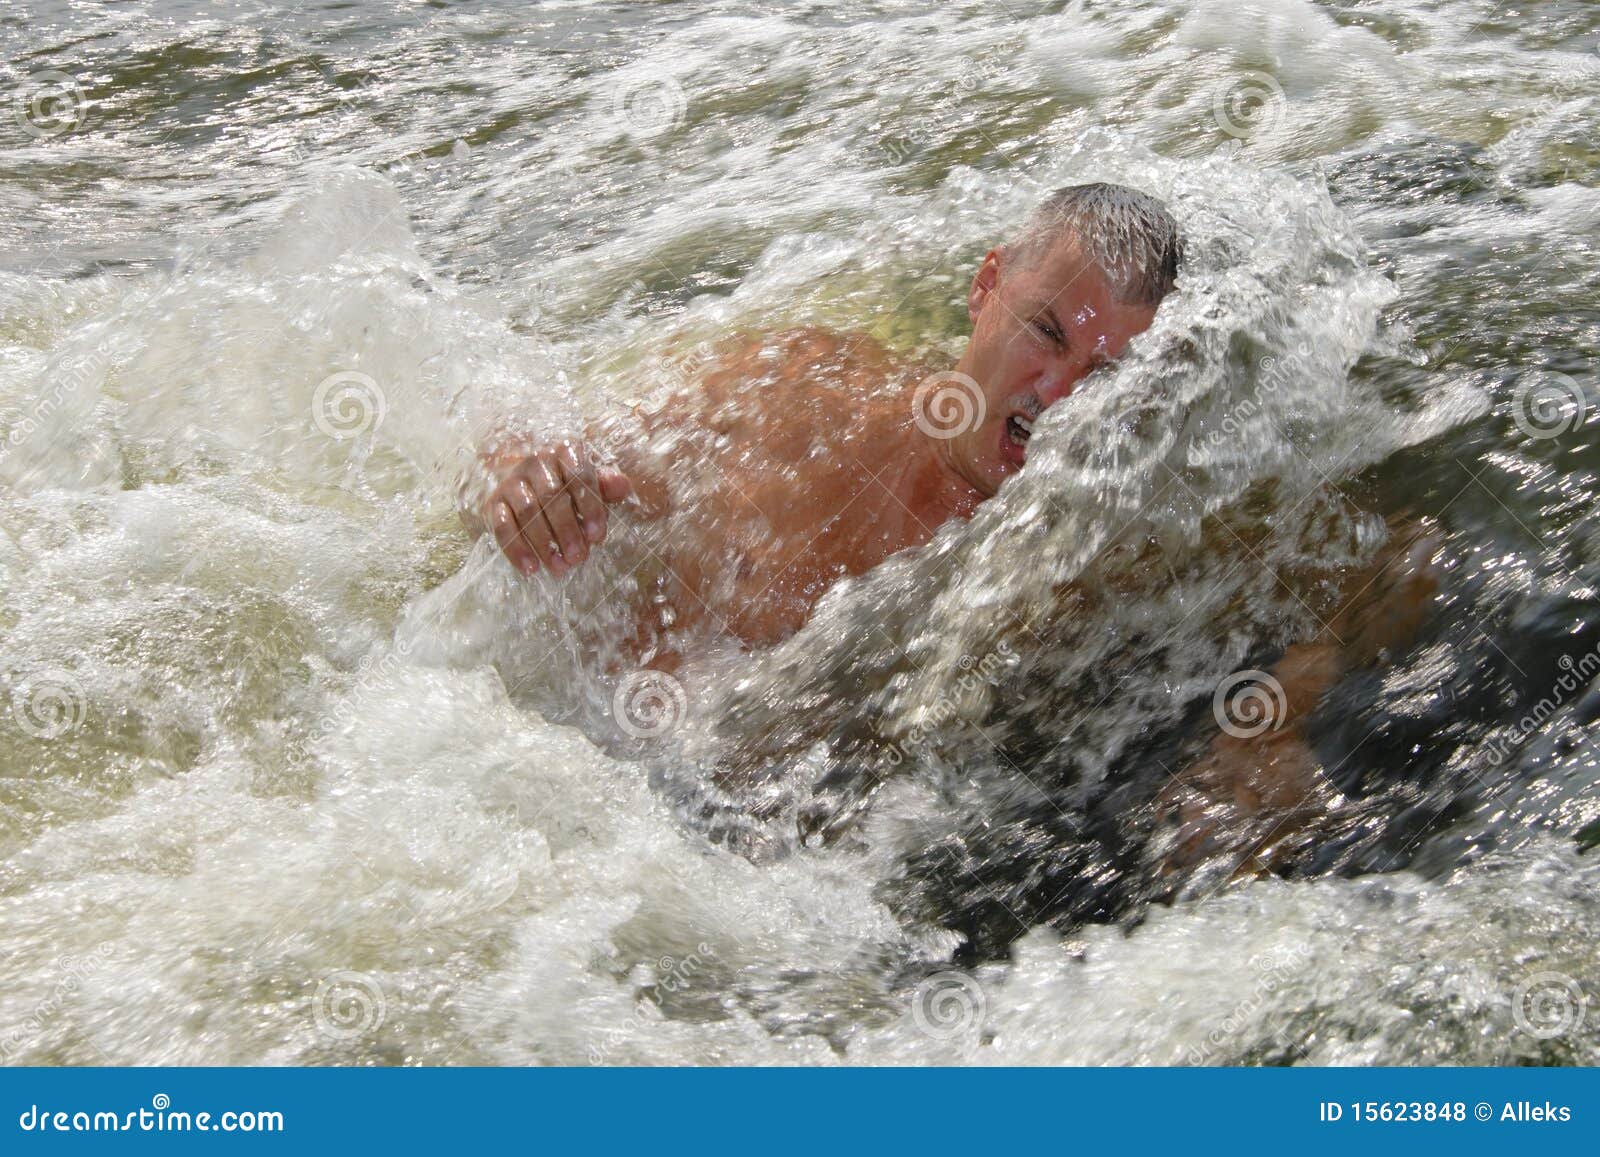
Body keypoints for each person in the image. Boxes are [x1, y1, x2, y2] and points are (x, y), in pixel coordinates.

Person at [463, 183, 1179, 663]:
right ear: (985, 284)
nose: (1059, 391)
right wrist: (523, 474)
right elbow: (544, 440)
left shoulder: (1085, 563)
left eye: (1104, 373)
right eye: (1046, 331)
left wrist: (1267, 730)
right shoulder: (797, 392)